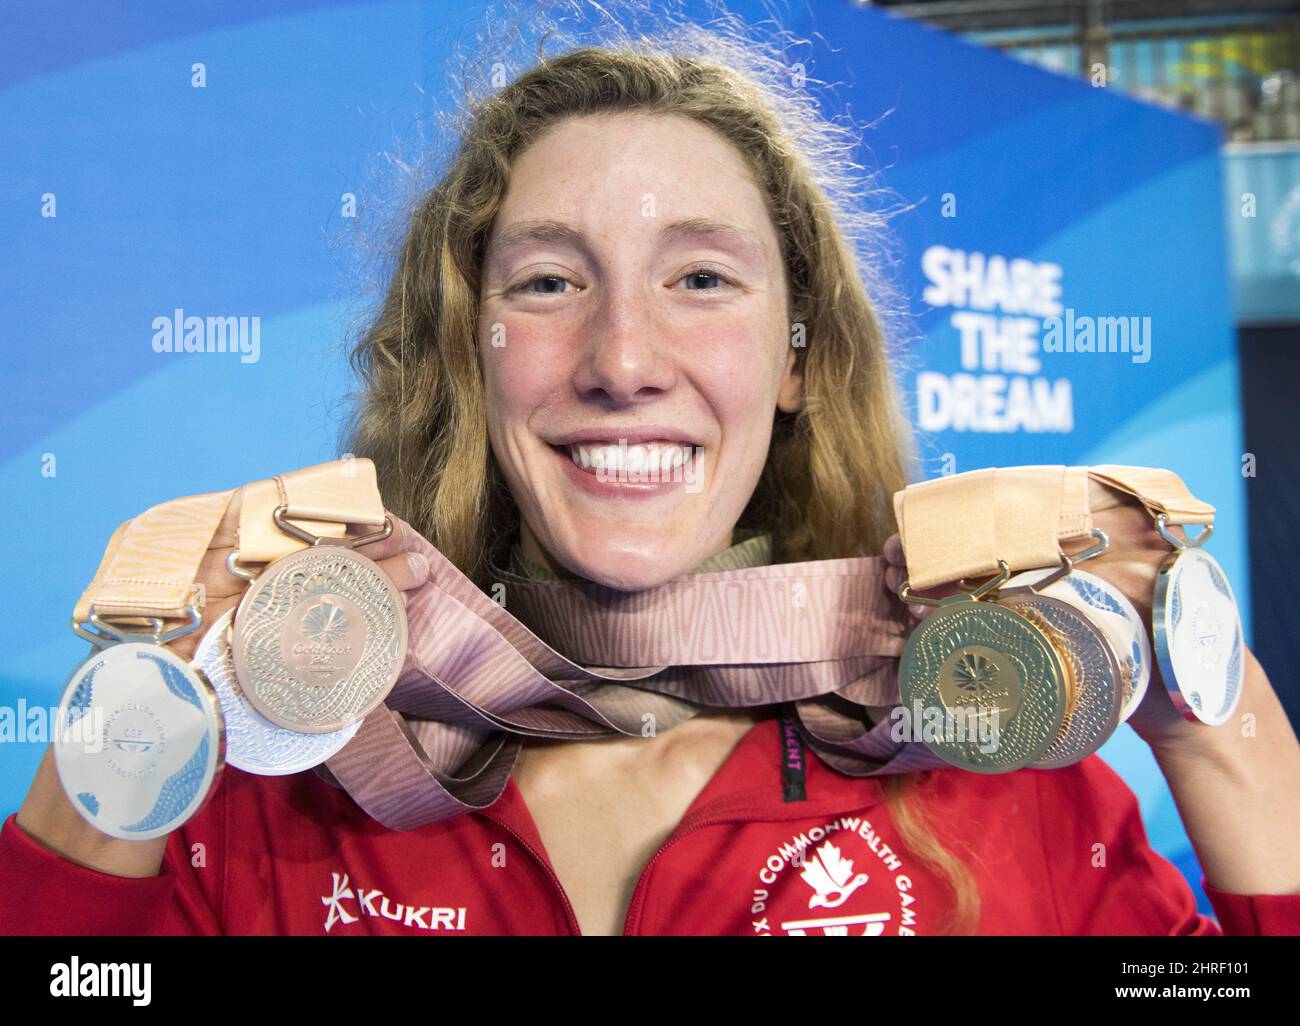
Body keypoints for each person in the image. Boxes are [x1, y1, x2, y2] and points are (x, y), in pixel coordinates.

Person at [3, 11, 1298, 937]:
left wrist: (1197, 677)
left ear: (797, 357)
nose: (624, 357)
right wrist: (145, 700)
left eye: (702, 279)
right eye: (551, 282)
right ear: (471, 349)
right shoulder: (283, 800)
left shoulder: (994, 785)